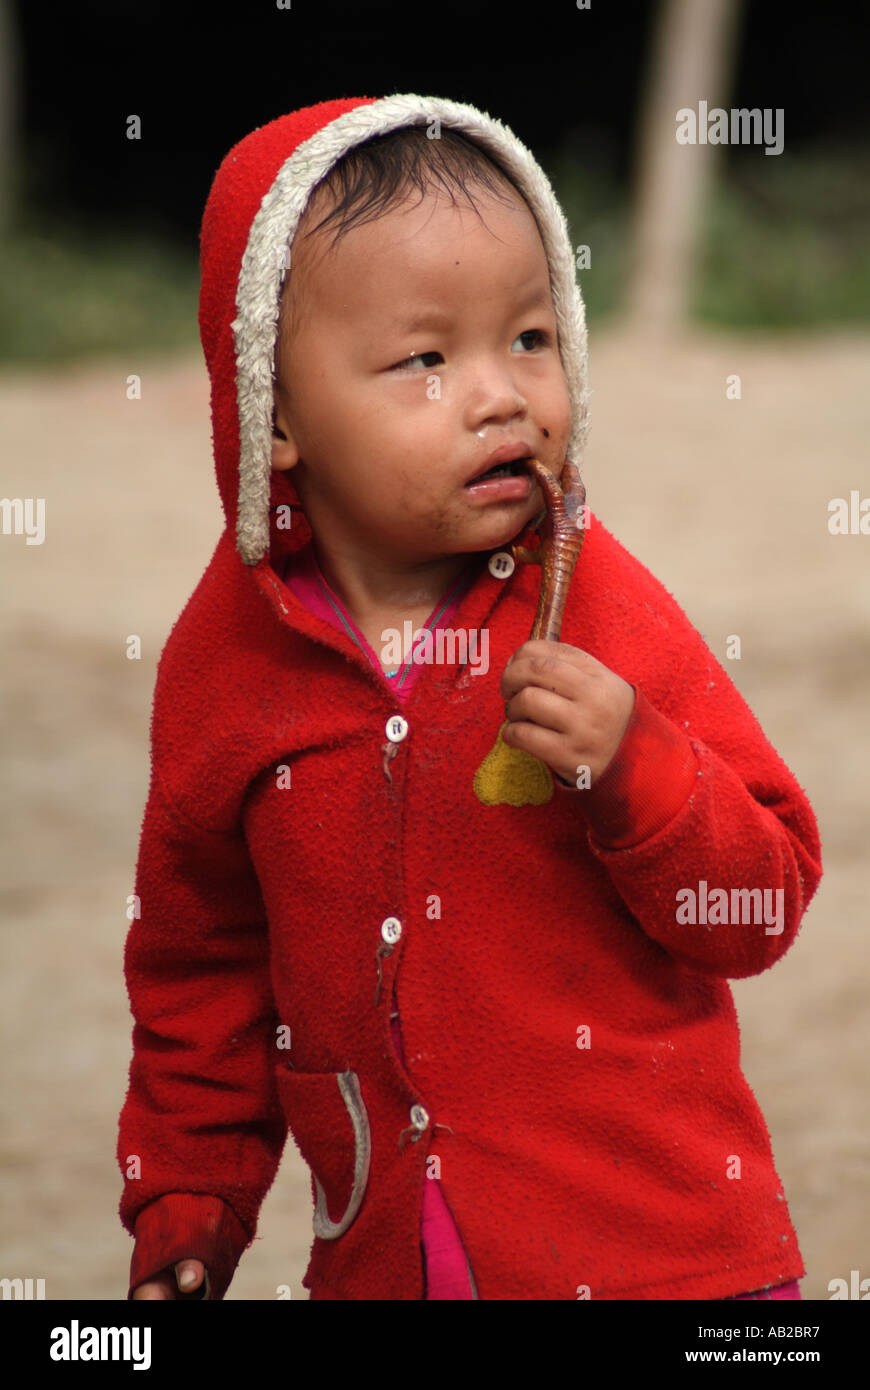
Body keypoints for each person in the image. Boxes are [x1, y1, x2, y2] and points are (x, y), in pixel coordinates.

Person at [118, 94, 822, 1301]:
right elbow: (200, 966)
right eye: (427, 359)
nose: (503, 396)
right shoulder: (224, 664)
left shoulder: (594, 603)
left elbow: (762, 901)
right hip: (386, 1262)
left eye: (531, 338)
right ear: (273, 412)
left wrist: (637, 765)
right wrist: (189, 1206)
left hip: (666, 1266)